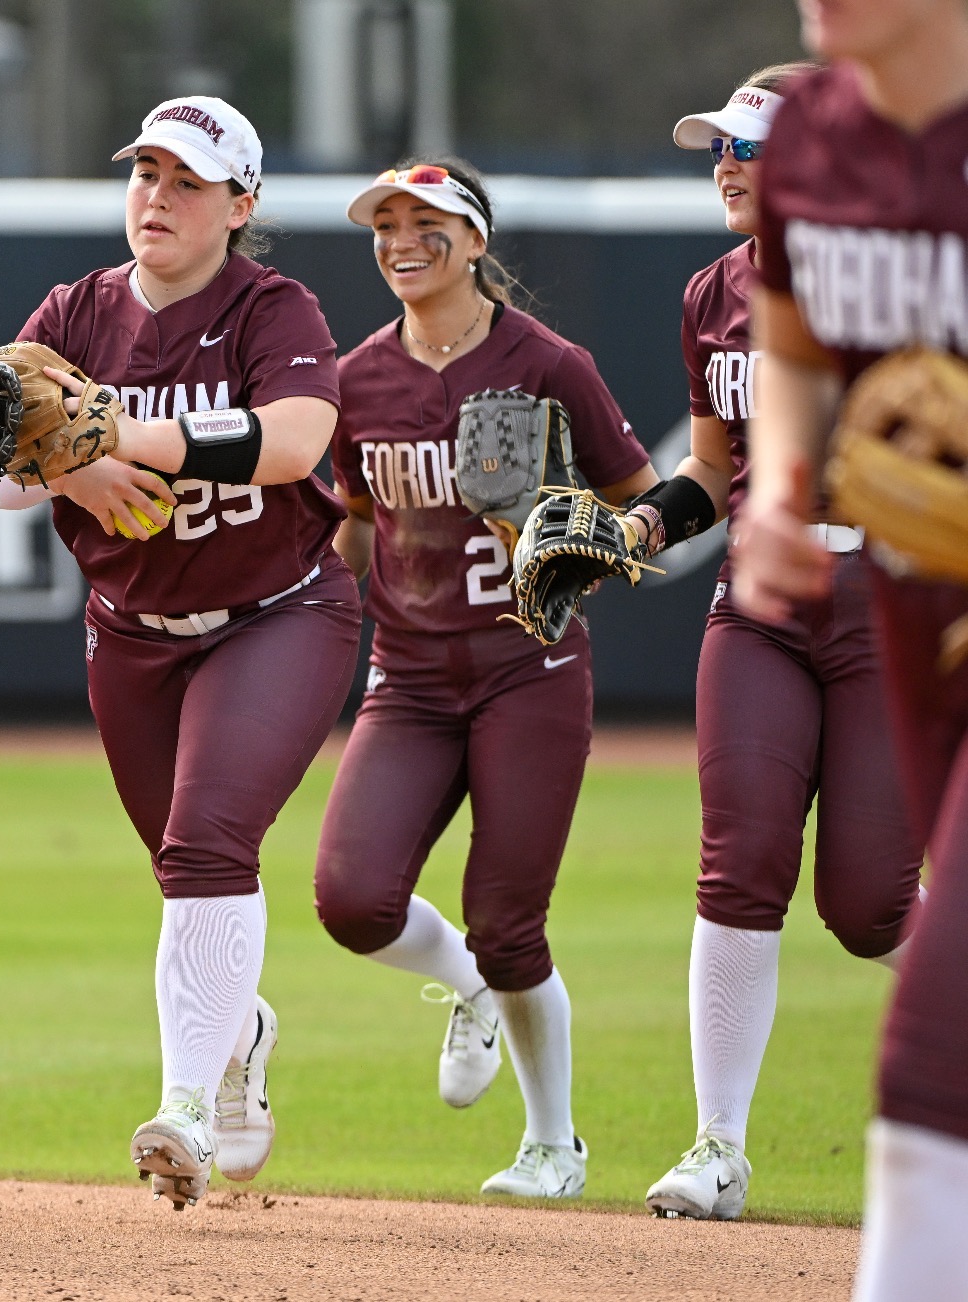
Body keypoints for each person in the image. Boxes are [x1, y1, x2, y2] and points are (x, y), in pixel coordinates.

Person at [0, 95, 357, 1208]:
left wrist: (123, 438)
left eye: (186, 182)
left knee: (204, 848)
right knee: (187, 871)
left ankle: (184, 1109)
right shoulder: (72, 312)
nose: (155, 195)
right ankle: (238, 1029)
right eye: (144, 173)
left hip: (276, 612)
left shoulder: (271, 308)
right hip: (131, 637)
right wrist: (67, 467)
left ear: (239, 206)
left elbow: (294, 443)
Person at [317, 158, 657, 1199]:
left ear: (472, 242)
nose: (399, 239)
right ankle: (461, 985)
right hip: (409, 676)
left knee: (510, 925)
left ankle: (552, 1144)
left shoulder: (547, 361)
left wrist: (583, 544)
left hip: (528, 668)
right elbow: (353, 528)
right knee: (350, 900)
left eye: (425, 222)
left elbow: (642, 495)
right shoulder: (354, 378)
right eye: (384, 223)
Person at [639, 62, 922, 1223]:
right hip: (761, 596)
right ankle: (716, 1146)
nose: (726, 164)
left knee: (864, 909)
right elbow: (714, 464)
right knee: (738, 861)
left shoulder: (906, 282)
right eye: (721, 146)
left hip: (887, 596)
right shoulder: (712, 292)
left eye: (751, 148)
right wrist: (639, 526)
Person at [729, 0, 968, 1293]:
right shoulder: (811, 137)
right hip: (922, 624)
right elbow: (795, 345)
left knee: (934, 1055)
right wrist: (776, 489)